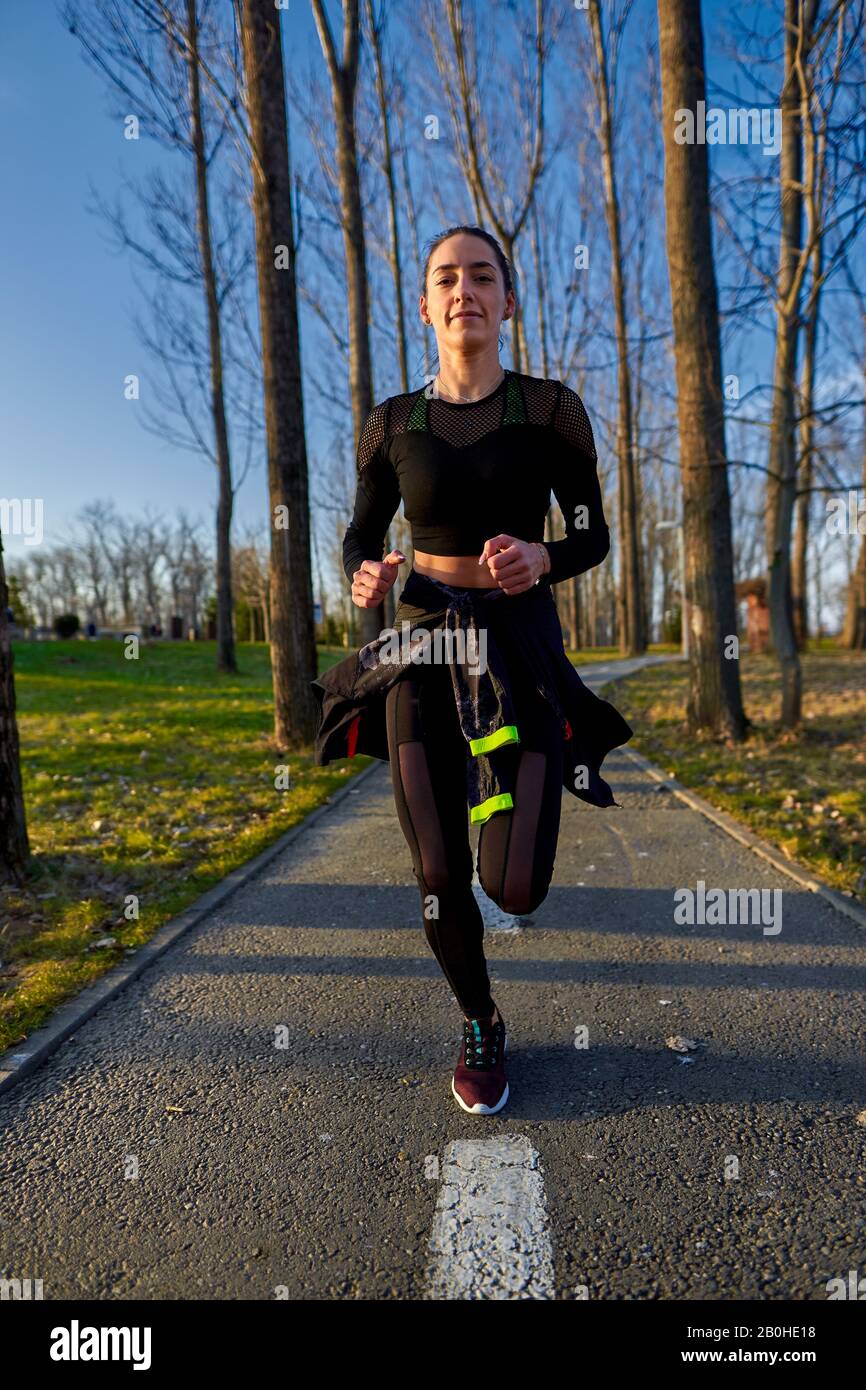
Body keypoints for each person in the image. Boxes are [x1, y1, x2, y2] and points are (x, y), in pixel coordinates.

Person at [316, 225, 632, 1116]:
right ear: (425, 305)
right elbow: (358, 533)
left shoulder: (551, 410)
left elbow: (592, 534)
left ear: (506, 302)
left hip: (519, 644)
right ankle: (482, 1019)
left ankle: (507, 792)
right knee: (438, 875)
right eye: (446, 278)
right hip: (423, 643)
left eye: (482, 277)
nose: (464, 290)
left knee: (515, 886)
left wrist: (544, 557)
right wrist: (364, 571)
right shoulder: (394, 423)